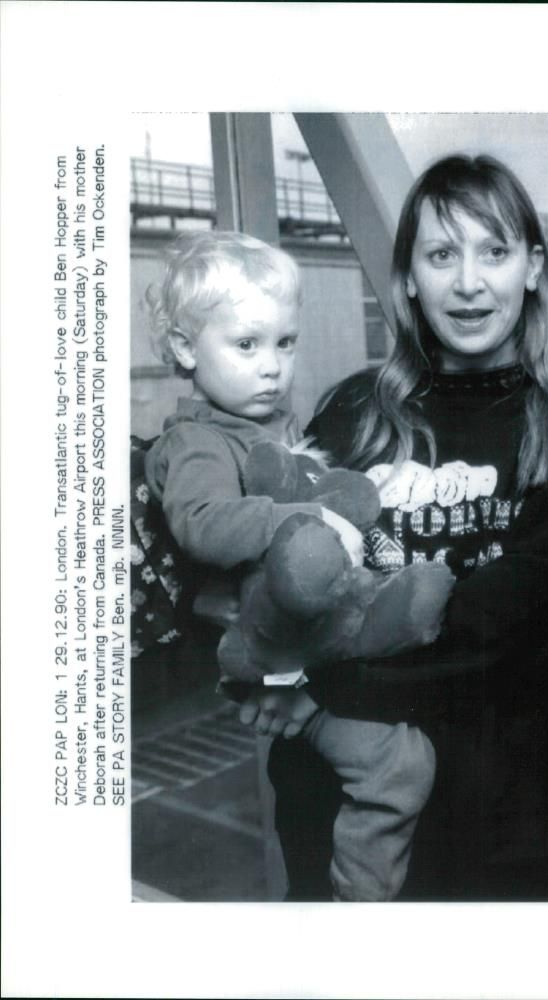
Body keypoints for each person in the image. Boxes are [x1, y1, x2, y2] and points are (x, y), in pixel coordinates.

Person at [243, 154, 548, 901]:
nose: (468, 283)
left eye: (493, 251)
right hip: (338, 816)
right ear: (406, 277)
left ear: (533, 267)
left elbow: (530, 611)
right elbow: (276, 581)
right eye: (441, 255)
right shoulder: (355, 410)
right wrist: (277, 679)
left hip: (504, 823)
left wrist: (331, 689)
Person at [144, 230, 438, 902]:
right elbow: (204, 526)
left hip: (296, 638)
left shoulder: (265, 425)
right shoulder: (197, 440)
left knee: (398, 753)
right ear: (188, 350)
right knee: (395, 766)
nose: (272, 366)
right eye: (246, 345)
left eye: (284, 343)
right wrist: (297, 523)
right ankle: (357, 904)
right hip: (266, 652)